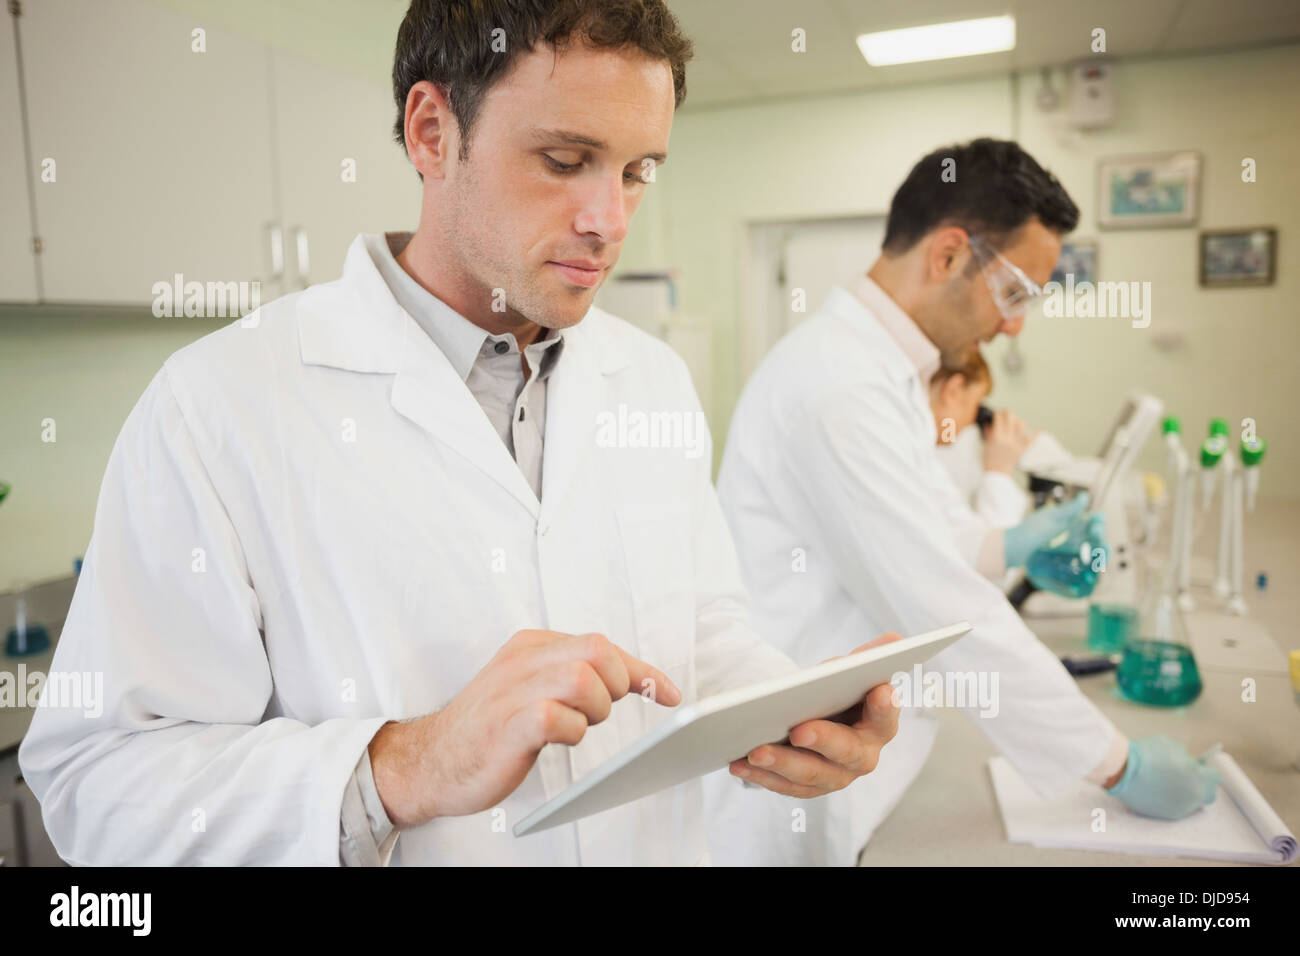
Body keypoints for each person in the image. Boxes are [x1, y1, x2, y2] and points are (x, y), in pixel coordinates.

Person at [19, 0, 902, 867]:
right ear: (433, 132)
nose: (611, 221)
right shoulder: (218, 407)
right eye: (565, 160)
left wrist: (779, 712)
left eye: (638, 172)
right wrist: (412, 762)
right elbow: (97, 785)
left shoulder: (652, 379)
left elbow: (701, 625)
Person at [705, 138, 1219, 867]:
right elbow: (945, 604)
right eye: (1014, 295)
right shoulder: (837, 385)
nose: (1013, 328)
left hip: (860, 749)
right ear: (948, 255)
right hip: (798, 769)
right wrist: (1115, 762)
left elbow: (932, 527)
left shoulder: (886, 372)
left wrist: (1015, 543)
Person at [929, 349, 1033, 529]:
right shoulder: (930, 458)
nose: (972, 420)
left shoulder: (951, 445)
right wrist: (998, 471)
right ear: (953, 390)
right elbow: (991, 547)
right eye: (975, 403)